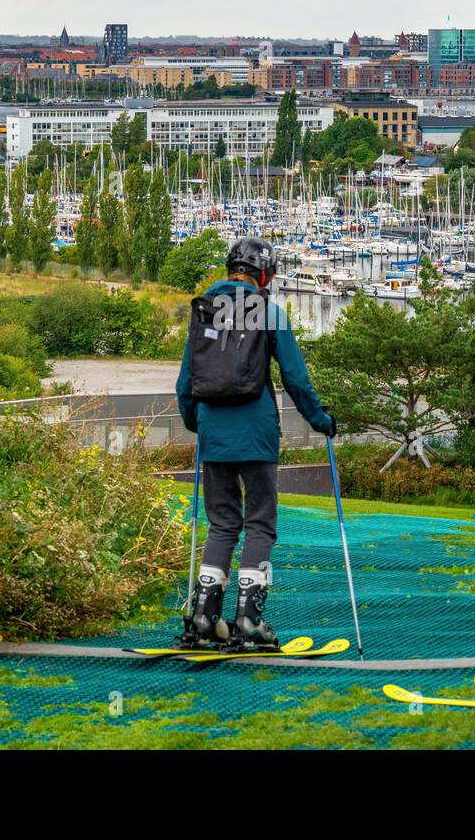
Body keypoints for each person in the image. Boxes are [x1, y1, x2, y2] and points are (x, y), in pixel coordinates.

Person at [176, 236, 336, 648]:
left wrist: (200, 425)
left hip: (213, 434)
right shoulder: (270, 313)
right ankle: (248, 621)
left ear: (230, 269)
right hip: (258, 434)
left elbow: (185, 384)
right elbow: (295, 380)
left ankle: (203, 617)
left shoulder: (204, 313)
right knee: (259, 523)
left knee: (222, 522)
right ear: (265, 275)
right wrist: (321, 422)